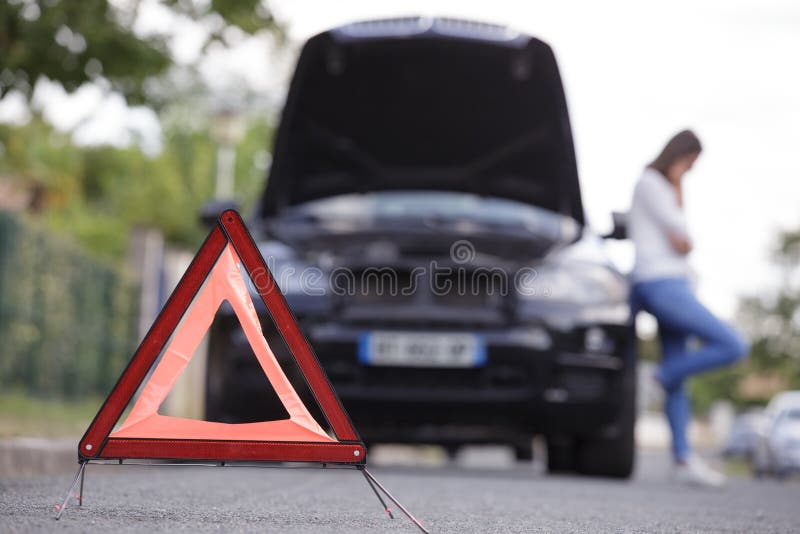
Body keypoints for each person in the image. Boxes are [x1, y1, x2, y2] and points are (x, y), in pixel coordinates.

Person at [629, 129, 749, 487]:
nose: (691, 170)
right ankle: (655, 376)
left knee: (680, 380)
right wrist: (677, 184)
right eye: (690, 162)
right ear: (680, 154)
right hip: (660, 283)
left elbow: (682, 241)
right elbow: (681, 238)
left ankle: (682, 459)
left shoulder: (665, 187)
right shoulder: (651, 182)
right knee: (733, 344)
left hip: (673, 282)